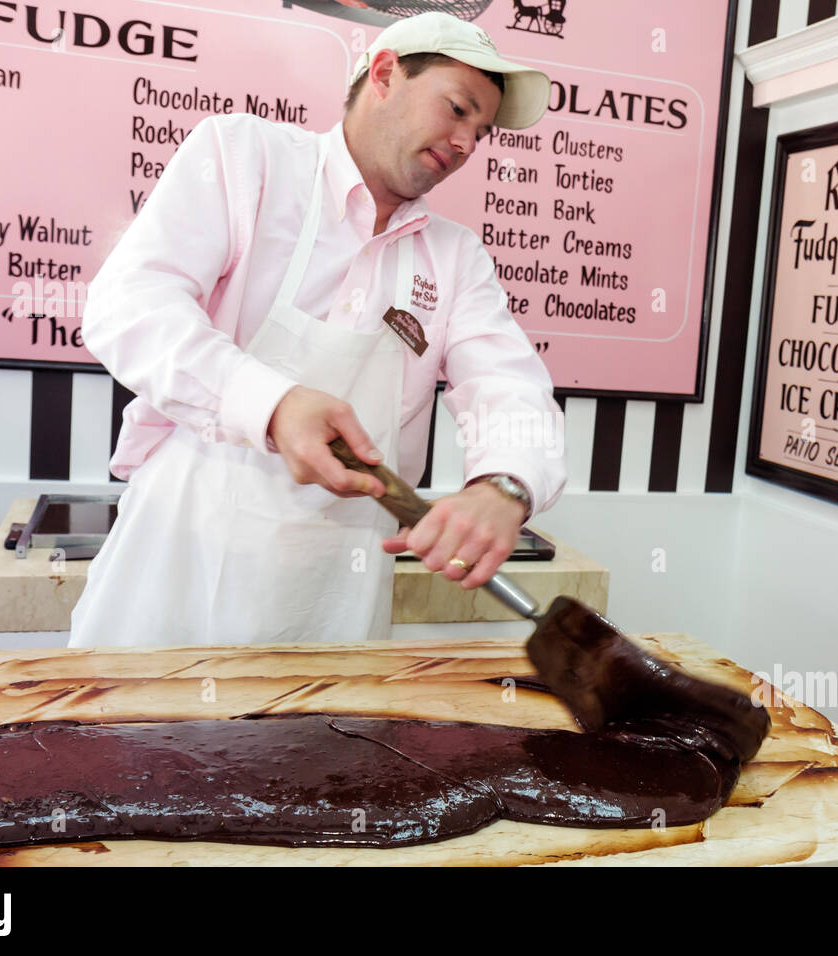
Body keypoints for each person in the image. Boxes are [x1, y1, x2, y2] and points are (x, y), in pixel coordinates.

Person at [69, 12, 566, 647]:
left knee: (314, 748)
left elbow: (509, 384)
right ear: (385, 73)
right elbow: (131, 305)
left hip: (334, 596)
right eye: (458, 108)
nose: (467, 142)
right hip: (178, 566)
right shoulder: (244, 159)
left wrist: (505, 485)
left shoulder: (455, 257)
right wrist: (273, 405)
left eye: (482, 129)